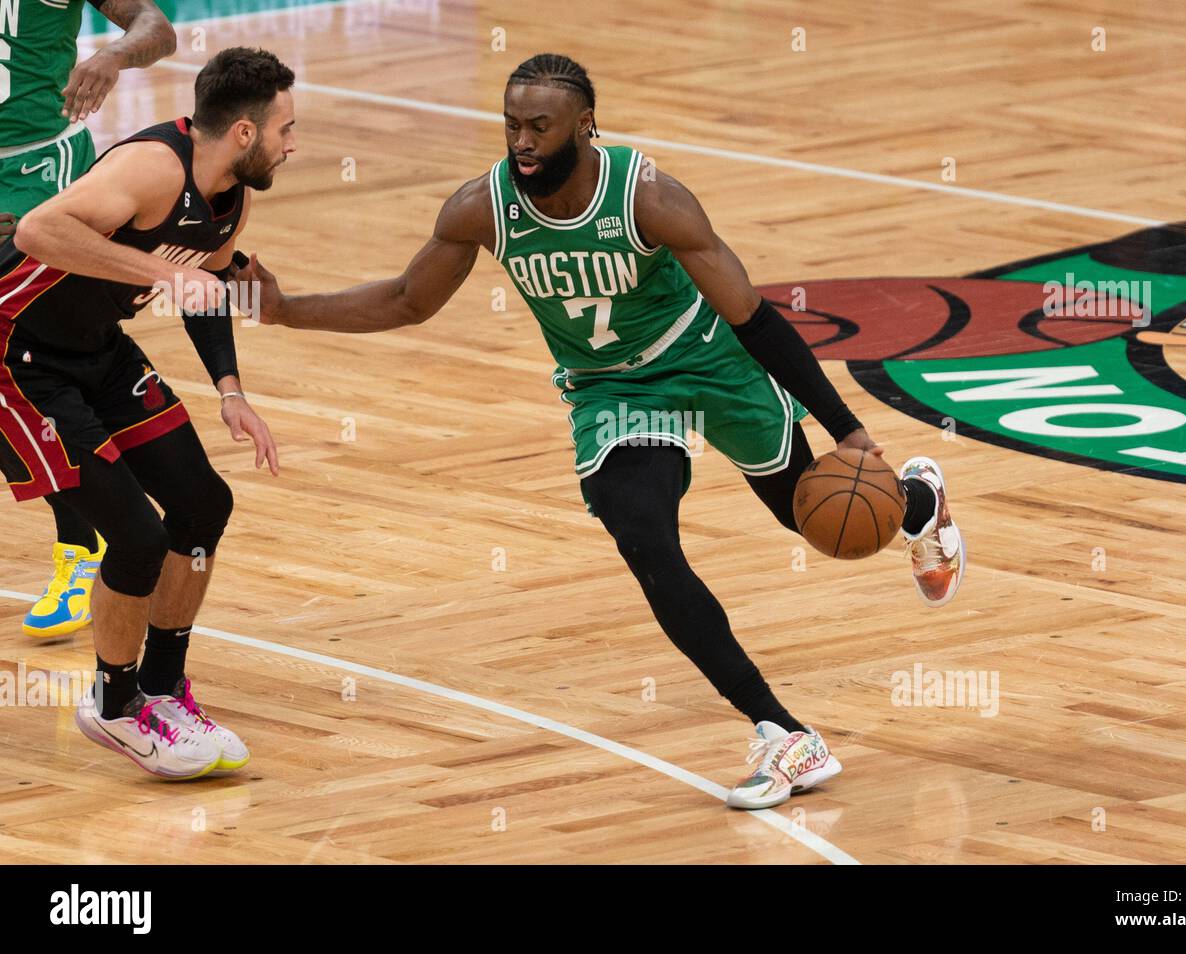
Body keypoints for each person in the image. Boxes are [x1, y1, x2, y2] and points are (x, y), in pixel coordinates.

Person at [239, 53, 965, 809]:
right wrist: (287, 309)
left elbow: (752, 313)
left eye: (539, 127)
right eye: (512, 124)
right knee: (644, 537)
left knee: (819, 519)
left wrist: (846, 430)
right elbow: (405, 301)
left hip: (708, 356)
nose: (521, 142)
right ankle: (783, 733)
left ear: (584, 127)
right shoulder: (481, 207)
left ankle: (918, 505)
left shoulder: (649, 198)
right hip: (613, 390)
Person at [1, 46, 293, 779]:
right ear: (246, 134)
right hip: (16, 355)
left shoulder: (231, 192)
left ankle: (163, 691)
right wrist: (159, 270)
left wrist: (231, 392)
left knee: (202, 506)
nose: (296, 145)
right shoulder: (153, 168)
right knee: (132, 538)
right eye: (287, 130)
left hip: (96, 350)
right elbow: (37, 231)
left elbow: (209, 281)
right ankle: (116, 706)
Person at [0, 0, 176, 638]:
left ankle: (80, 550)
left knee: (31, 361)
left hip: (39, 173)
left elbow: (157, 26)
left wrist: (115, 53)